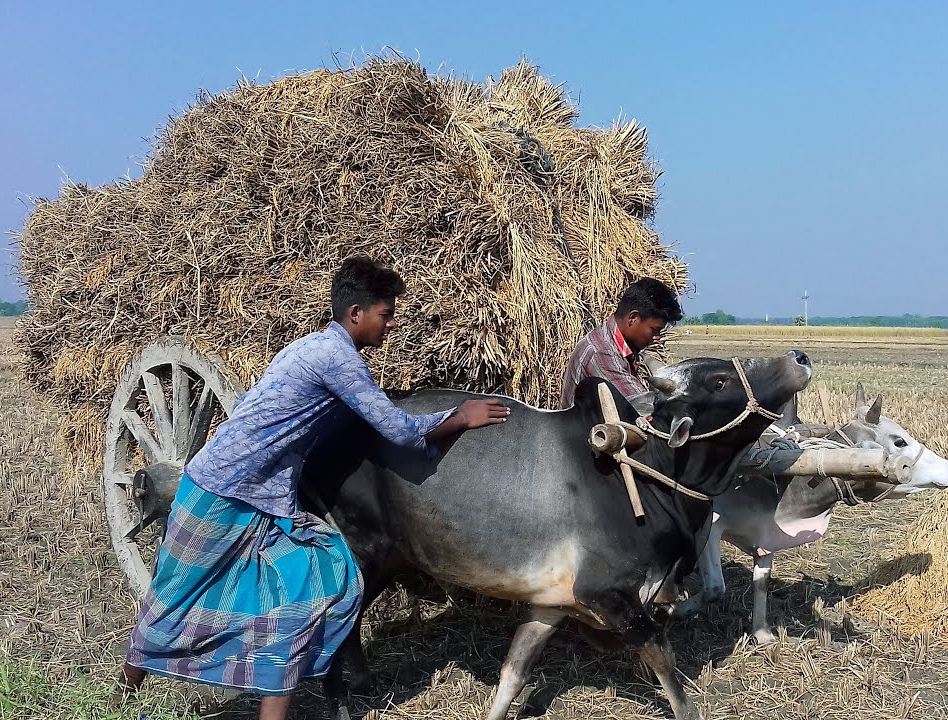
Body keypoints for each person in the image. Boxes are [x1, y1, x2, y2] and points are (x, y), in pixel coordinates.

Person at [114, 256, 509, 719]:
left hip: (262, 495)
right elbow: (398, 430)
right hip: (219, 488)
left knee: (305, 587)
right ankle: (122, 698)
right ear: (356, 313)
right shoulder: (337, 360)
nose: (390, 324)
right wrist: (460, 417)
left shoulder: (310, 347)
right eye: (385, 314)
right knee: (171, 596)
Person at [559, 277, 683, 415]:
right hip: (582, 435)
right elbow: (646, 408)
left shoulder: (621, 345)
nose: (657, 337)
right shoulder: (601, 353)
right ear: (633, 318)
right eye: (654, 329)